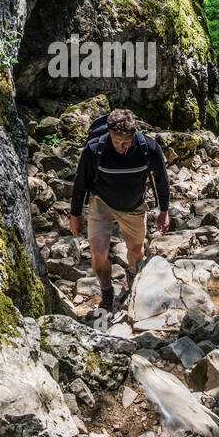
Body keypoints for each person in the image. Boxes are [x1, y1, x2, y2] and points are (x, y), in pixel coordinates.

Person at [69, 107, 170, 315]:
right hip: (102, 203)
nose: (120, 147)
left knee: (136, 251)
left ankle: (132, 275)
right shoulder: (95, 148)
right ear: (109, 133)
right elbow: (81, 182)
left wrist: (164, 211)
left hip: (134, 206)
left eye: (125, 142)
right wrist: (75, 215)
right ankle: (107, 292)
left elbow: (162, 180)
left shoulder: (147, 148)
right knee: (98, 253)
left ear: (134, 134)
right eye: (116, 142)